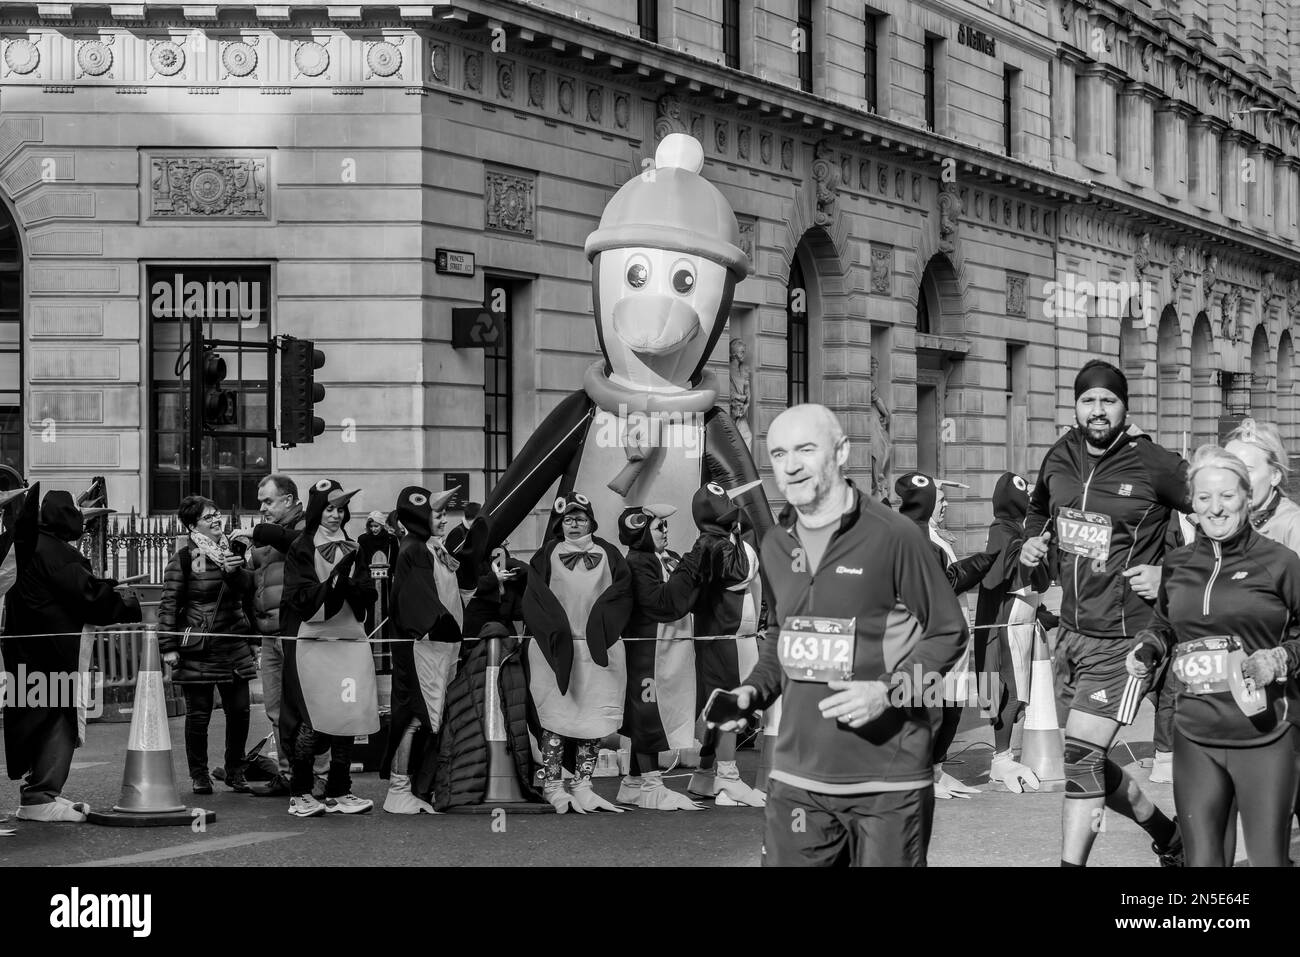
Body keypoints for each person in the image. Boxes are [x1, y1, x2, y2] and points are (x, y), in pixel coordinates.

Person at [715, 405, 968, 867]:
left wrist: (889, 691)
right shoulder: (775, 543)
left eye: (805, 450)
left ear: (842, 452)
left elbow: (948, 630)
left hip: (887, 780)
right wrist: (751, 691)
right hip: (798, 777)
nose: (790, 465)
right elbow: (781, 638)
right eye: (778, 453)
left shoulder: (896, 536)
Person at [1021, 359, 1188, 867]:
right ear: (1076, 406)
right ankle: (1169, 835)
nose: (1098, 410)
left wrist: (1170, 573)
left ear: (1124, 407)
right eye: (1088, 400)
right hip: (1071, 634)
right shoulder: (1060, 453)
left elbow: (1220, 523)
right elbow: (1038, 510)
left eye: (1108, 401)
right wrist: (1030, 543)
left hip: (1128, 638)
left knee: (1080, 757)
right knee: (1086, 758)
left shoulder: (1154, 463)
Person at [1125, 445, 1300, 866]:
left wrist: (1278, 659)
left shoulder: (1281, 563)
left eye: (1227, 496)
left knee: (1268, 861)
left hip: (1265, 735)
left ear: (1247, 497)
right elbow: (1165, 625)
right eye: (1204, 498)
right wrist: (1149, 647)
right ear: (1192, 502)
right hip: (1195, 735)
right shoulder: (1178, 564)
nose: (1216, 508)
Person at [2, 487, 142, 822]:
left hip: (23, 651)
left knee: (33, 717)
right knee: (59, 719)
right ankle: (40, 795)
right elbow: (89, 598)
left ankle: (38, 792)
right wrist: (126, 601)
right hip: (55, 656)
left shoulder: (24, 548)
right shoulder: (59, 553)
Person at [522, 493, 633, 813]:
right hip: (555, 650)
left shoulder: (609, 553)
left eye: (580, 518)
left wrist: (603, 628)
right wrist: (553, 633)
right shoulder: (547, 554)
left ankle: (584, 784)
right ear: (559, 522)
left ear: (591, 521)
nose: (574, 524)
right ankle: (553, 785)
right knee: (555, 721)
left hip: (599, 649)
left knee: (594, 721)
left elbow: (623, 593)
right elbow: (535, 598)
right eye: (568, 519)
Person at [280, 479, 378, 817]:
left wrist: (348, 583)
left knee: (347, 715)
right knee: (313, 718)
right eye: (329, 509)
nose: (335, 515)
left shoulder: (355, 545)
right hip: (314, 643)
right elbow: (299, 597)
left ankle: (339, 790)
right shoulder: (302, 547)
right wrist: (334, 585)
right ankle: (301, 792)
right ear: (317, 511)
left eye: (340, 509)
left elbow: (368, 592)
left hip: (350, 641)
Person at [894, 472, 994, 800]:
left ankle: (937, 770)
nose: (946, 504)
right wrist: (982, 562)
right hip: (929, 640)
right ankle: (923, 773)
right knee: (935, 708)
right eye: (940, 499)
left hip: (951, 638)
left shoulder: (934, 535)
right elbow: (945, 582)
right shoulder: (915, 536)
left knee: (951, 706)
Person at [157, 495, 258, 794]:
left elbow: (249, 595)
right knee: (198, 715)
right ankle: (199, 774)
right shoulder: (185, 557)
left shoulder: (235, 551)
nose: (216, 519)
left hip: (234, 643)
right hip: (199, 646)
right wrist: (168, 646)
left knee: (239, 711)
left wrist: (253, 640)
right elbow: (169, 604)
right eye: (207, 517)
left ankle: (236, 769)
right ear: (192, 525)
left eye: (217, 513)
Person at [615, 503, 706, 810]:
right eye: (659, 527)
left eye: (666, 526)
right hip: (647, 650)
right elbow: (663, 604)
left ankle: (632, 783)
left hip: (662, 648)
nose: (666, 531)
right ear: (642, 533)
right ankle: (652, 784)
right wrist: (689, 568)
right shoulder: (639, 561)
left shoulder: (658, 558)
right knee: (647, 714)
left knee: (649, 712)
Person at [381, 486, 464, 815]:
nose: (443, 519)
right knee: (414, 716)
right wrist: (444, 625)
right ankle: (398, 787)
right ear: (419, 517)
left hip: (440, 649)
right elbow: (416, 602)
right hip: (420, 649)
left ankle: (418, 787)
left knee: (432, 717)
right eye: (437, 513)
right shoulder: (413, 549)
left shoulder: (432, 547)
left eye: (445, 513)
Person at [685, 480, 766, 807]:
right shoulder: (713, 546)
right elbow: (743, 575)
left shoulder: (724, 543)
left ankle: (705, 774)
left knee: (725, 706)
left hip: (738, 638)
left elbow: (755, 587)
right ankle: (728, 777)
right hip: (722, 637)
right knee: (727, 704)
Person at [973, 472, 1050, 793]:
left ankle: (1005, 754)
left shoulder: (1013, 530)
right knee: (1010, 690)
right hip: (1007, 623)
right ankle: (1001, 756)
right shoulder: (1004, 532)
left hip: (1020, 618)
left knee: (1016, 690)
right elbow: (1001, 575)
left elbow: (1039, 578)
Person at [237, 473, 307, 796]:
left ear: (289, 500)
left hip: (295, 633)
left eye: (268, 501)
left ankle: (311, 776)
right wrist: (233, 567)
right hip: (268, 633)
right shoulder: (263, 538)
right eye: (260, 502)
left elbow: (293, 543)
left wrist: (258, 533)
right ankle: (287, 773)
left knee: (302, 709)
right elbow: (254, 582)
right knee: (275, 709)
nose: (262, 507)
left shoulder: (306, 529)